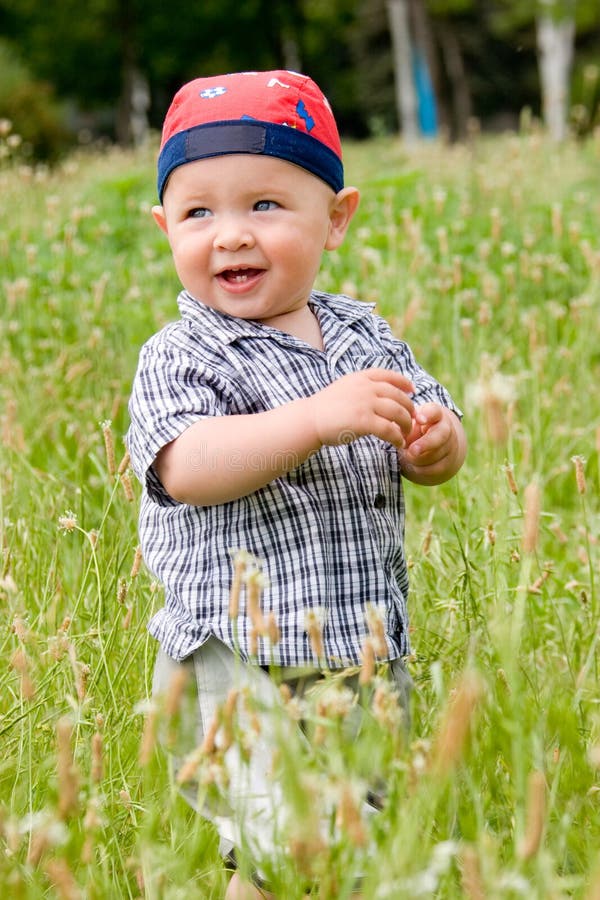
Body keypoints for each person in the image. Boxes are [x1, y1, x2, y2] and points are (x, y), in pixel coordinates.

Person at [127, 69, 467, 899]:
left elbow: (433, 428)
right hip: (241, 653)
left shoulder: (363, 332)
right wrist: (316, 418)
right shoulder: (184, 354)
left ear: (336, 219)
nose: (231, 235)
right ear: (165, 225)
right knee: (279, 850)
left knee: (358, 832)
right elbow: (187, 467)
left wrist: (434, 443)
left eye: (265, 206)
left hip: (363, 647)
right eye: (199, 211)